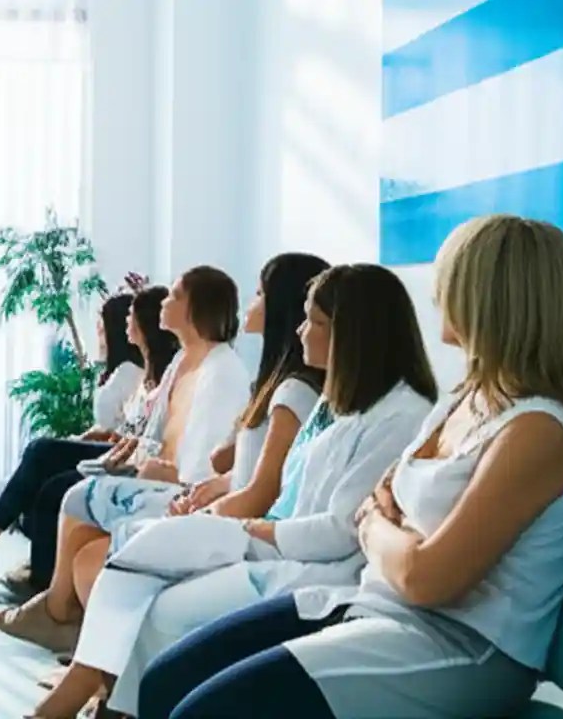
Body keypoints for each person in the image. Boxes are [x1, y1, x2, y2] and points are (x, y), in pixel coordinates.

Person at [134, 216, 563, 719]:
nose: (436, 292)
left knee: (205, 712)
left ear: (488, 296)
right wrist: (392, 530)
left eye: (450, 277)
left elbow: (425, 575)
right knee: (167, 681)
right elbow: (387, 517)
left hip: (461, 651)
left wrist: (379, 525)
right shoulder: (463, 399)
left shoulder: (539, 430)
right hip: (379, 604)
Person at [82, 264, 438, 718]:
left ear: (355, 335)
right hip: (276, 545)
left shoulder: (400, 416)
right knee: (140, 562)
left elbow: (340, 532)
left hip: (315, 569)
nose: (300, 330)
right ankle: (113, 701)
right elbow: (277, 480)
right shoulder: (337, 400)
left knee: (166, 612)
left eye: (316, 322)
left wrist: (251, 527)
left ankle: (122, 704)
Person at [27, 252, 336, 715]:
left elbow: (265, 493)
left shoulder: (289, 391)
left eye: (259, 293)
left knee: (103, 555)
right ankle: (96, 678)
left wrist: (204, 504)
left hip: (247, 529)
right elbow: (255, 472)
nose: (250, 303)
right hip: (234, 513)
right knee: (90, 533)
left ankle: (90, 680)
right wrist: (218, 482)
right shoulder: (271, 386)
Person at [0, 266, 249, 653]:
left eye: (174, 295)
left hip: (183, 493)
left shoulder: (222, 371)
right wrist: (133, 453)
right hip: (156, 474)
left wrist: (153, 466)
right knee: (74, 494)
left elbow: (200, 469)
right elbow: (154, 432)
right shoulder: (181, 360)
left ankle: (60, 615)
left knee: (78, 503)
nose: (163, 300)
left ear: (197, 308)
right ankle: (61, 613)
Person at [0, 289, 177, 568]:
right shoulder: (143, 376)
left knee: (43, 455)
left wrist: (118, 441)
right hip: (119, 448)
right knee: (42, 454)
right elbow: (128, 426)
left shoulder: (143, 374)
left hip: (128, 457)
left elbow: (143, 435)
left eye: (132, 315)